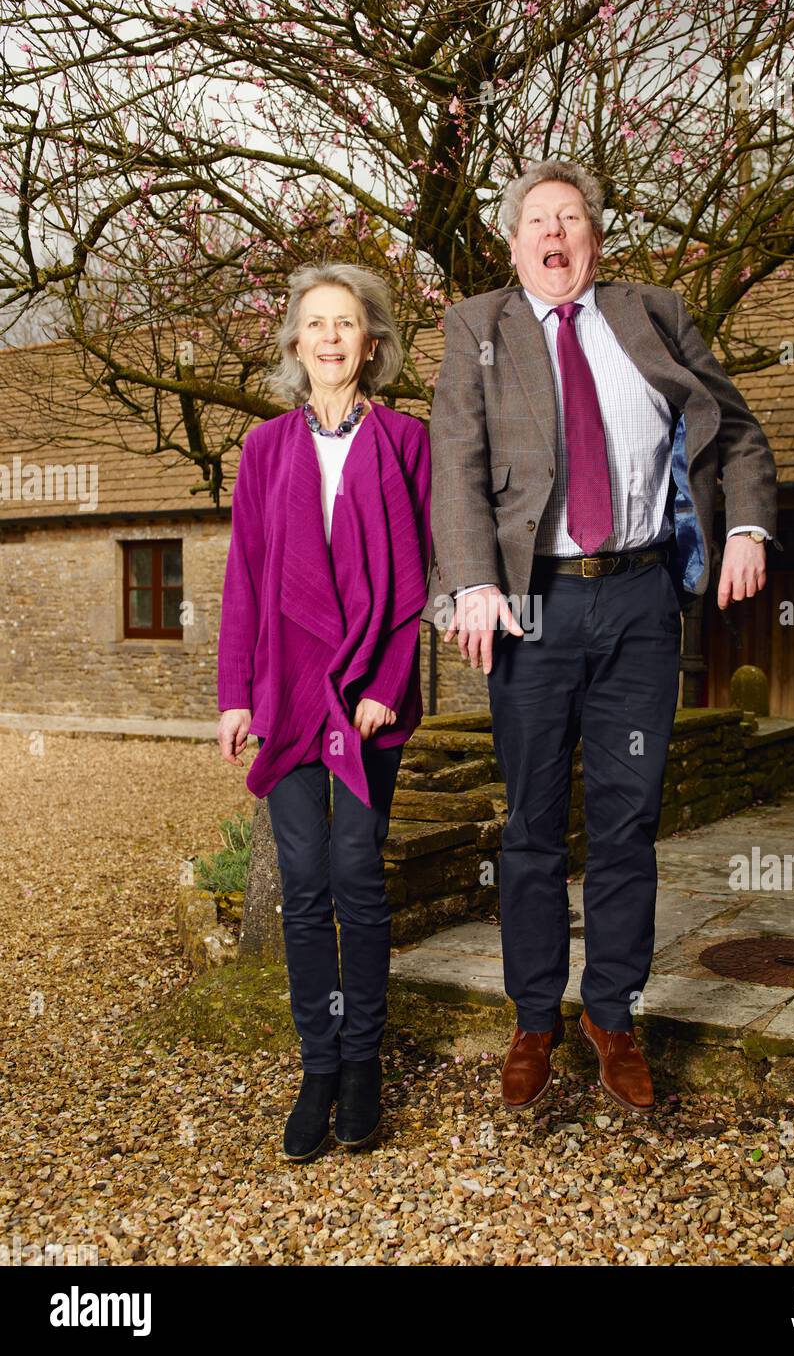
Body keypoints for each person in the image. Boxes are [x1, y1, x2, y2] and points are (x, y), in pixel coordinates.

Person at [422, 159, 778, 1116]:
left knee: (627, 819)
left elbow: (735, 430)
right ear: (513, 242)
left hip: (639, 600)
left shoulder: (652, 312)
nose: (555, 233)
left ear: (593, 235)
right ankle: (535, 1015)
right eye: (538, 218)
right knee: (534, 822)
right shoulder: (478, 326)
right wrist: (471, 586)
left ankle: (611, 1014)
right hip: (530, 608)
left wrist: (745, 525)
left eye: (570, 217)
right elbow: (453, 462)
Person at [217, 262, 432, 1161]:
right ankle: (319, 1066)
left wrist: (386, 682)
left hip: (370, 696)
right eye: (317, 324)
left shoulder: (407, 442)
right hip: (288, 688)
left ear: (371, 343)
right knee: (303, 885)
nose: (332, 337)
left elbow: (418, 576)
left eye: (348, 323)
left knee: (358, 872)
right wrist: (234, 694)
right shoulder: (264, 448)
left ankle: (363, 1066)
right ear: (296, 343)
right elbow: (244, 578)